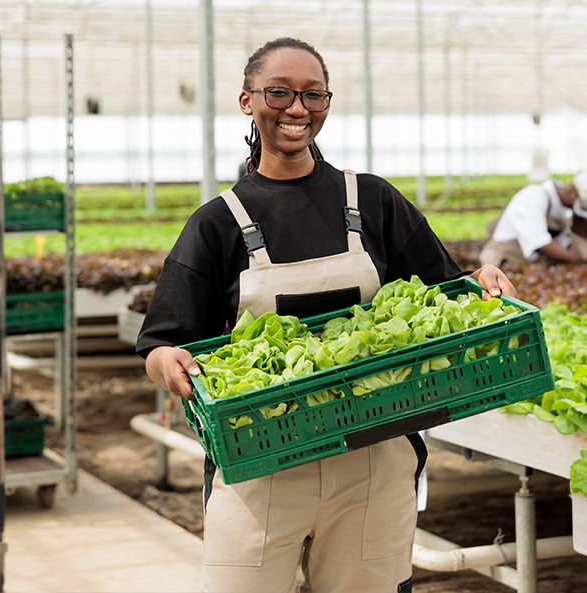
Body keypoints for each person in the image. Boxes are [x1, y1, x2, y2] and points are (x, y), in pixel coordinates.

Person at [136, 37, 516, 593]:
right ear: (248, 102)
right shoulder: (217, 223)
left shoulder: (373, 201)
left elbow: (447, 291)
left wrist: (480, 283)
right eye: (280, 93)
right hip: (259, 464)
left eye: (313, 95)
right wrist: (166, 363)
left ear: (327, 104)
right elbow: (161, 344)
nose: (297, 108)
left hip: (374, 459)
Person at [478, 170, 587, 268]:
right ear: (574, 194)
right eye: (582, 206)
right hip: (505, 260)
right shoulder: (534, 196)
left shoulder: (565, 209)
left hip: (537, 263)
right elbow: (540, 244)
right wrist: (580, 261)